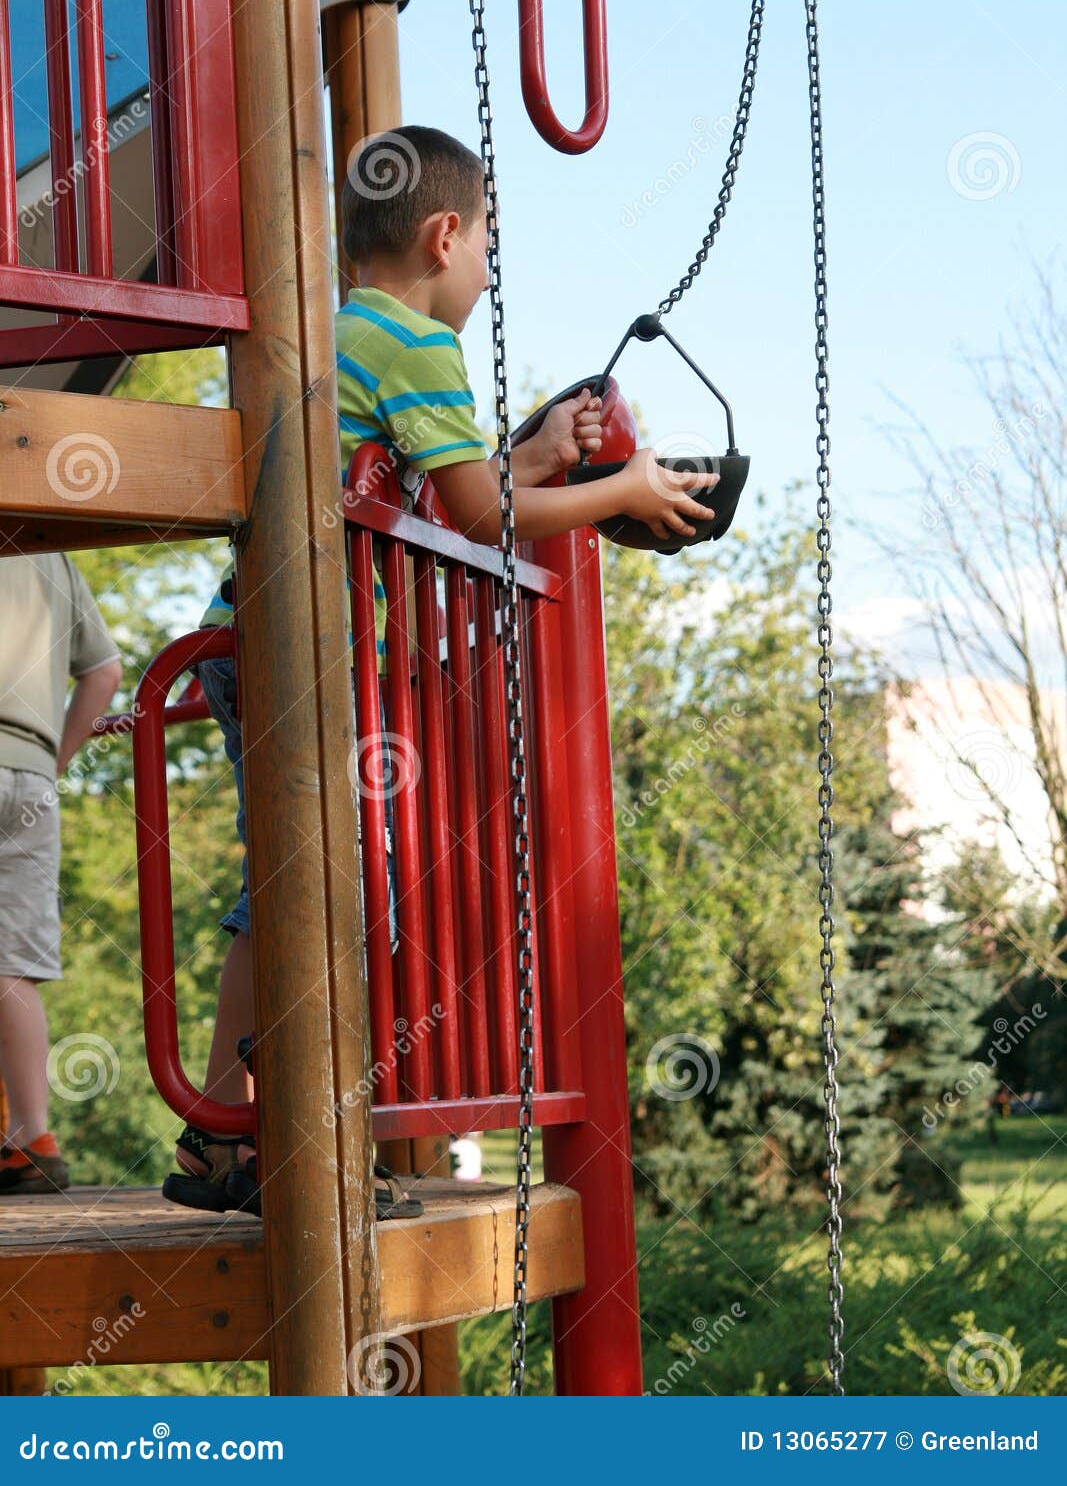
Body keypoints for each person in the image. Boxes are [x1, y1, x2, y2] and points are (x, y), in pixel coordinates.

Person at [172, 124, 716, 1216]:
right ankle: (271, 1142)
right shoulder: (417, 349)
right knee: (330, 896)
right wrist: (619, 492)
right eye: (487, 251)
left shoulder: (342, 332)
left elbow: (430, 491)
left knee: (296, 891)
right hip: (310, 656)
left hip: (267, 640)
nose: (484, 274)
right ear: (443, 233)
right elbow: (473, 515)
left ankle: (225, 1135)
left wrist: (537, 454)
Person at [0, 554, 121, 1196]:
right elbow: (104, 673)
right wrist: (53, 765)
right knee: (11, 967)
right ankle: (31, 1139)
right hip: (28, 774)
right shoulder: (50, 551)